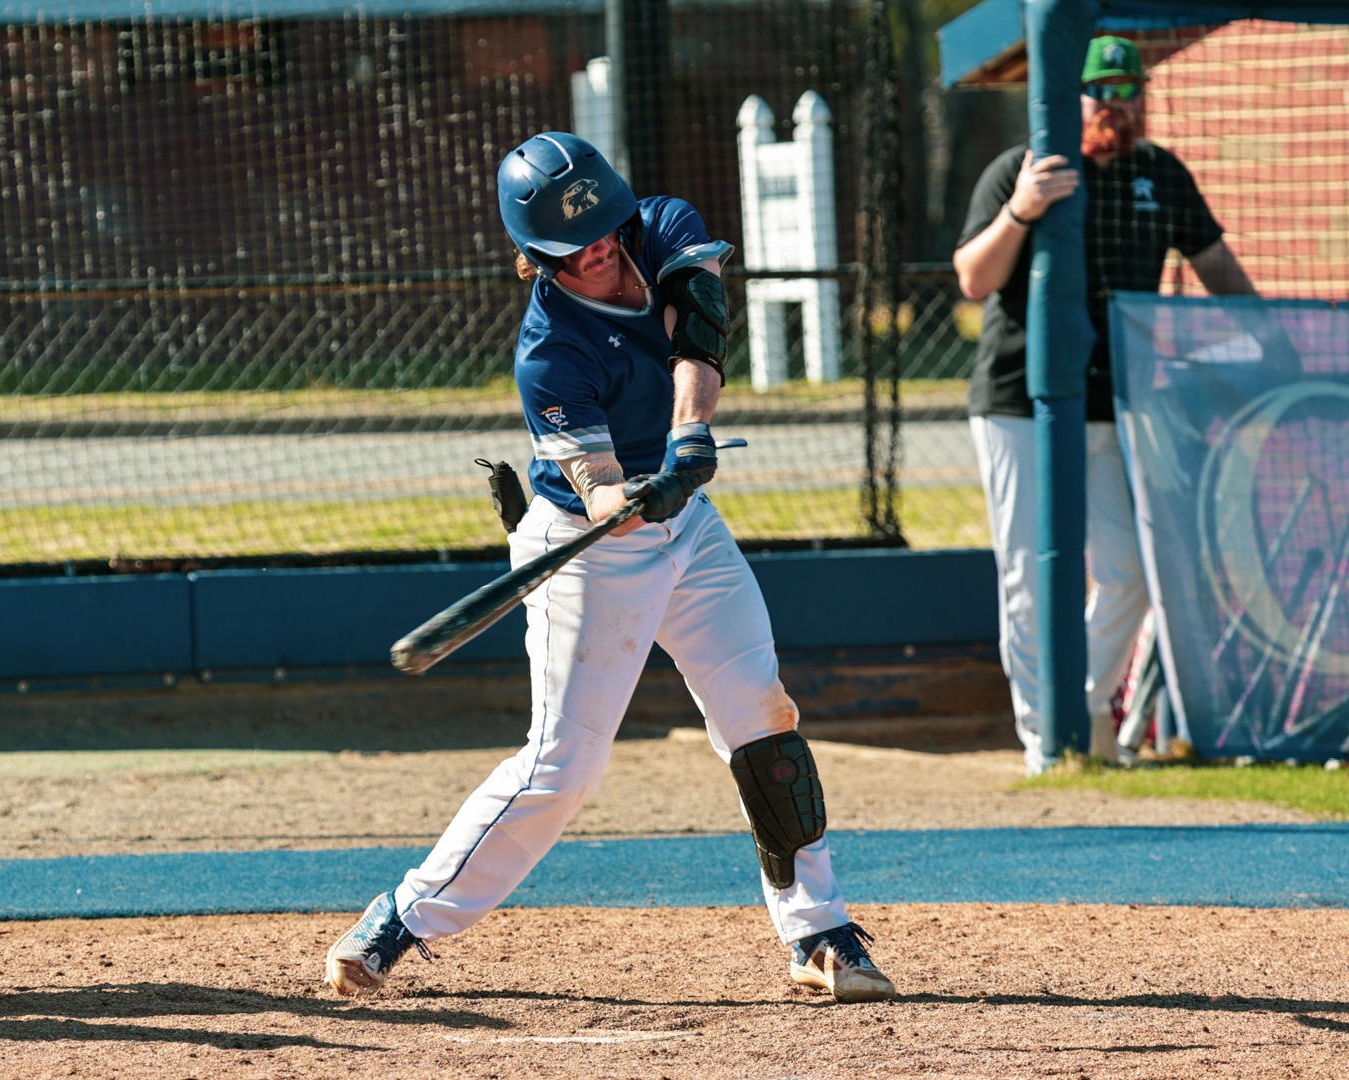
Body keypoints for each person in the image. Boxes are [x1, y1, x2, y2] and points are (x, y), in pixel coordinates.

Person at [322, 132, 896, 1004]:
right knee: (565, 763)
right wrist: (628, 499)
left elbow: (700, 334)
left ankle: (819, 930)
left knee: (761, 714)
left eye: (602, 231)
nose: (598, 252)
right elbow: (592, 485)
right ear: (534, 258)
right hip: (589, 546)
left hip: (690, 525)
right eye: (572, 247)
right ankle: (405, 914)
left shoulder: (662, 225)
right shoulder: (547, 351)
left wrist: (689, 441)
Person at [953, 35, 1262, 774]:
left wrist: (1269, 338)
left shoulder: (1159, 172)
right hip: (1018, 402)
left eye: (1131, 93)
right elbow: (972, 278)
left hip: (1118, 401)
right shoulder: (1023, 168)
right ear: (1071, 98)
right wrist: (1023, 211)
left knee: (1129, 568)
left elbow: (1219, 270)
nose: (1118, 109)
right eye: (1103, 94)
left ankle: (1084, 711)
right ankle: (1042, 742)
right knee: (1028, 571)